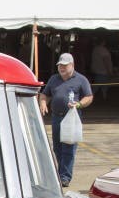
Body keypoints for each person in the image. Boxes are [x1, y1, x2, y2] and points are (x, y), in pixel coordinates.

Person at [38, 52, 93, 187]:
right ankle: (61, 172)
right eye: (59, 65)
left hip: (72, 118)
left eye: (64, 65)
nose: (61, 68)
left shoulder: (81, 79)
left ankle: (65, 177)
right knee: (57, 147)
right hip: (57, 117)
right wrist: (43, 103)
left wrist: (79, 104)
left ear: (72, 65)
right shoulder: (54, 79)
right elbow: (45, 94)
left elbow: (89, 97)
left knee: (68, 147)